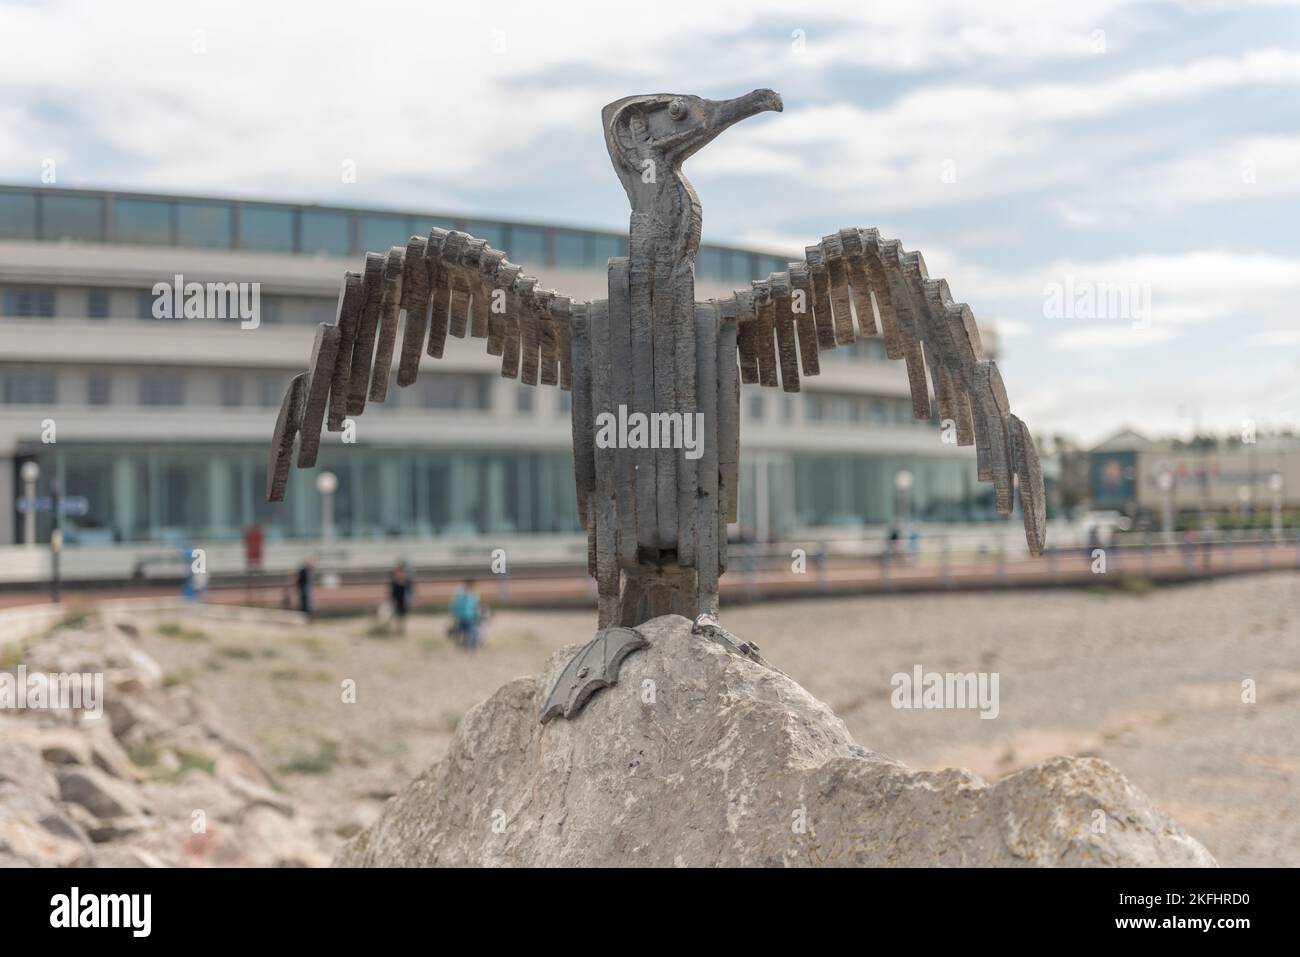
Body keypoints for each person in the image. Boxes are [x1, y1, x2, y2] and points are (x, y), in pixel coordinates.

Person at [450, 579, 483, 649]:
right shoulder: (462, 595)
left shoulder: (472, 595)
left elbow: (477, 607)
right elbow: (455, 607)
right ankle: (466, 646)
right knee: (465, 633)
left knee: (468, 633)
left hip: (469, 617)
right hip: (464, 618)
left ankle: (468, 646)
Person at [389, 562, 412, 636]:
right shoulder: (394, 582)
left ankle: (402, 629)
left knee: (403, 615)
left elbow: (409, 592)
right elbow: (392, 593)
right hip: (397, 601)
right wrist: (391, 601)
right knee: (397, 616)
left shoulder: (406, 581)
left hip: (403, 601)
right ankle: (398, 629)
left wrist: (410, 600)